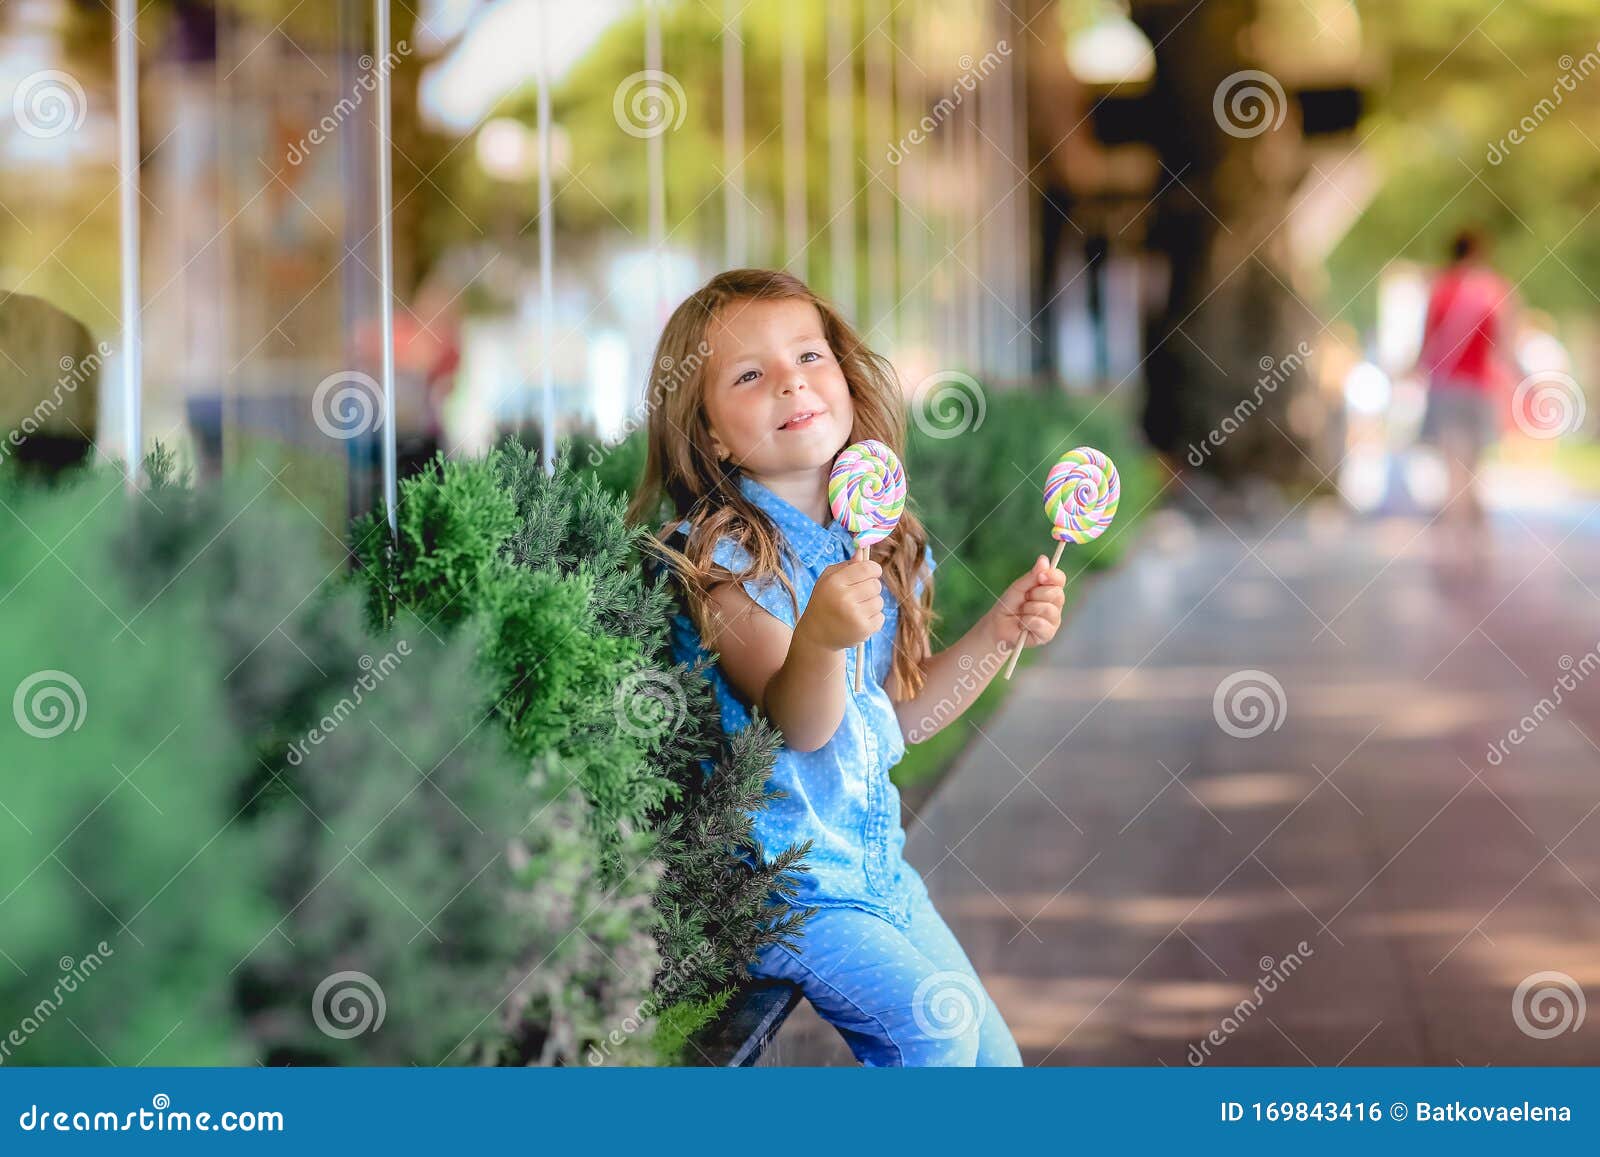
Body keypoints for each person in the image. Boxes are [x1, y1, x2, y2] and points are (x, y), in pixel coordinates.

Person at [626, 268, 1065, 1067]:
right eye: (751, 374)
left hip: (872, 870)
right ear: (713, 434)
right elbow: (801, 722)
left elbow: (897, 720)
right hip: (783, 889)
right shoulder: (724, 559)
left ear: (845, 377)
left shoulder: (884, 542)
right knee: (931, 1031)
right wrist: (821, 639)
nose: (791, 381)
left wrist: (999, 633)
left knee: (994, 1064)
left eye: (808, 355)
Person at [1416, 228, 1515, 531]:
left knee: (1452, 456)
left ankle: (1454, 512)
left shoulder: (1439, 289)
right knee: (1474, 457)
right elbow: (1504, 343)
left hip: (1447, 382)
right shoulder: (1494, 289)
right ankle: (1469, 510)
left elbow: (1428, 339)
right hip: (1481, 383)